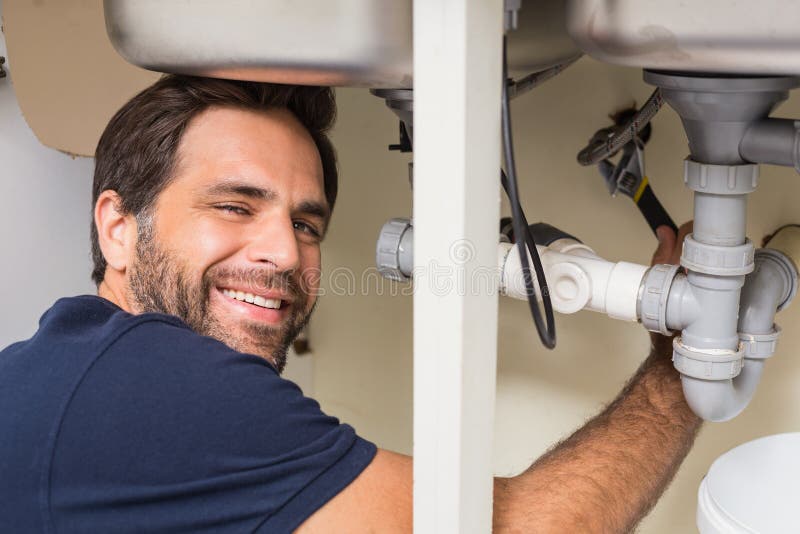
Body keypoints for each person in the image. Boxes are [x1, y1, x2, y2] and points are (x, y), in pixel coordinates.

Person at [0, 75, 700, 533]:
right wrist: (680, 376)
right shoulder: (162, 385)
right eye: (234, 206)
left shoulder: (59, 367)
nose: (283, 253)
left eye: (306, 224)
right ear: (118, 227)